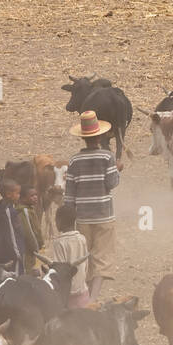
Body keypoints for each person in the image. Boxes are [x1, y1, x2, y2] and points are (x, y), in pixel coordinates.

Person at [64, 110, 119, 301]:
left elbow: (69, 195)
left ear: (83, 138)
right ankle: (93, 299)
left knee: (83, 257)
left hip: (82, 218)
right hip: (104, 215)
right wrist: (117, 170)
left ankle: (83, 295)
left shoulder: (74, 160)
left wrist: (68, 220)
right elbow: (112, 183)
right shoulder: (107, 157)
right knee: (102, 258)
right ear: (101, 135)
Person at [49, 204, 91, 308]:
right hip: (82, 289)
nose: (55, 223)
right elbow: (85, 265)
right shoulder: (82, 239)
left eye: (56, 220)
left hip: (67, 294)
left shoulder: (58, 243)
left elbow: (59, 269)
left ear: (60, 221)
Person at [0, 180, 25, 275]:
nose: (19, 196)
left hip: (1, 255)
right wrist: (18, 254)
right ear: (9, 194)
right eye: (17, 193)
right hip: (12, 256)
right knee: (16, 281)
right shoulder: (8, 212)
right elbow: (12, 235)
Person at [16, 187, 44, 272]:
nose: (35, 197)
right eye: (32, 195)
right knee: (27, 269)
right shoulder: (24, 212)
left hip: (32, 249)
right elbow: (28, 232)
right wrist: (35, 246)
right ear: (23, 198)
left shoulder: (30, 209)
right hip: (28, 249)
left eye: (36, 195)